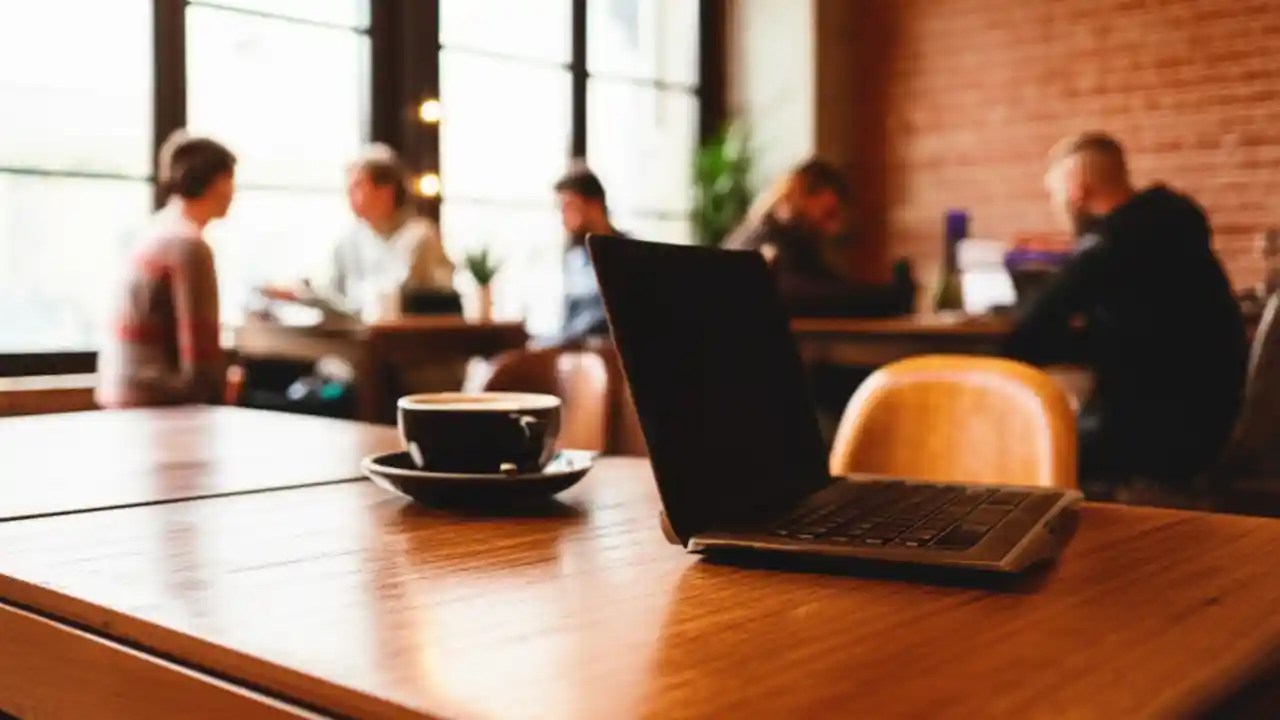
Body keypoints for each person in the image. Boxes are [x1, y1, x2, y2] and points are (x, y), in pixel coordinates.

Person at [1005, 132, 1247, 490]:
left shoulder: (1113, 243)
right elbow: (1148, 336)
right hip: (1208, 421)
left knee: (1023, 450)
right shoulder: (1170, 229)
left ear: (1077, 191)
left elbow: (1032, 333)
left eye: (1055, 194)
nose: (1057, 205)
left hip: (1158, 437)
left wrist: (996, 353)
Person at [97, 131, 235, 408]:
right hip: (156, 404)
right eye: (231, 179)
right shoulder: (188, 245)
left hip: (119, 394)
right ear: (218, 182)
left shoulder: (152, 231)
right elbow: (201, 361)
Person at [270, 144, 454, 320]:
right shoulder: (348, 242)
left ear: (386, 190)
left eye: (357, 186)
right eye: (348, 188)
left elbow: (426, 298)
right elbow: (333, 296)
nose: (349, 196)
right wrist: (301, 292)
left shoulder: (420, 236)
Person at [724, 159, 914, 317]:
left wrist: (888, 297)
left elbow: (830, 287)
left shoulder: (791, 238)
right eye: (829, 214)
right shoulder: (766, 238)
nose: (834, 229)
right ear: (803, 195)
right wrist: (889, 298)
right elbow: (800, 296)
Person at [555, 166, 624, 343]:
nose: (563, 218)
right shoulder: (574, 258)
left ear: (594, 204)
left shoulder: (629, 253)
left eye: (568, 207)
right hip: (570, 349)